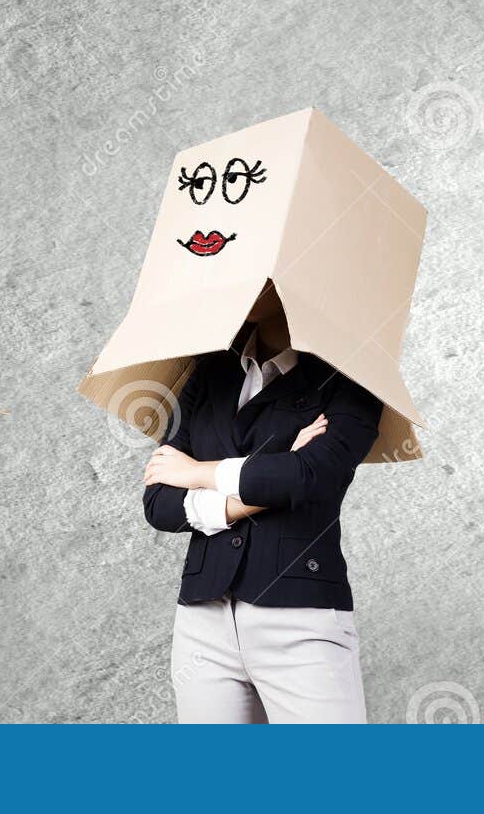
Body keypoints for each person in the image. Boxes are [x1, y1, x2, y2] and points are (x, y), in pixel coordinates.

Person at [141, 288, 380, 723]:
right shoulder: (210, 370)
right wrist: (269, 479)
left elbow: (313, 476)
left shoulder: (350, 378)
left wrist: (197, 473)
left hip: (300, 617)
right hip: (202, 619)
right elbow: (159, 501)